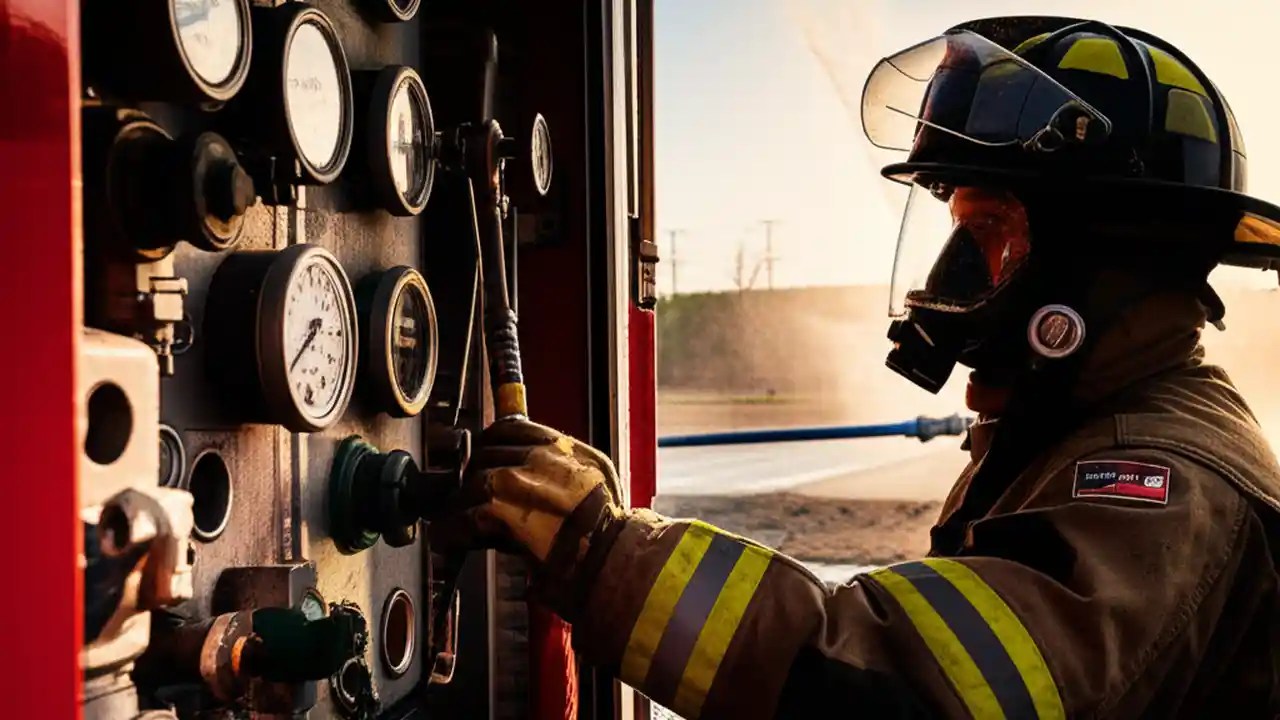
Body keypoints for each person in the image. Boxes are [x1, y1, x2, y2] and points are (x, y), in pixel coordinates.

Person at [432, 16, 1280, 719]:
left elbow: (893, 688)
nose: (950, 275)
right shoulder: (1075, 425)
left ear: (1103, 260)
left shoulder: (1157, 484)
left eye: (989, 231)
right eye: (955, 228)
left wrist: (603, 551)